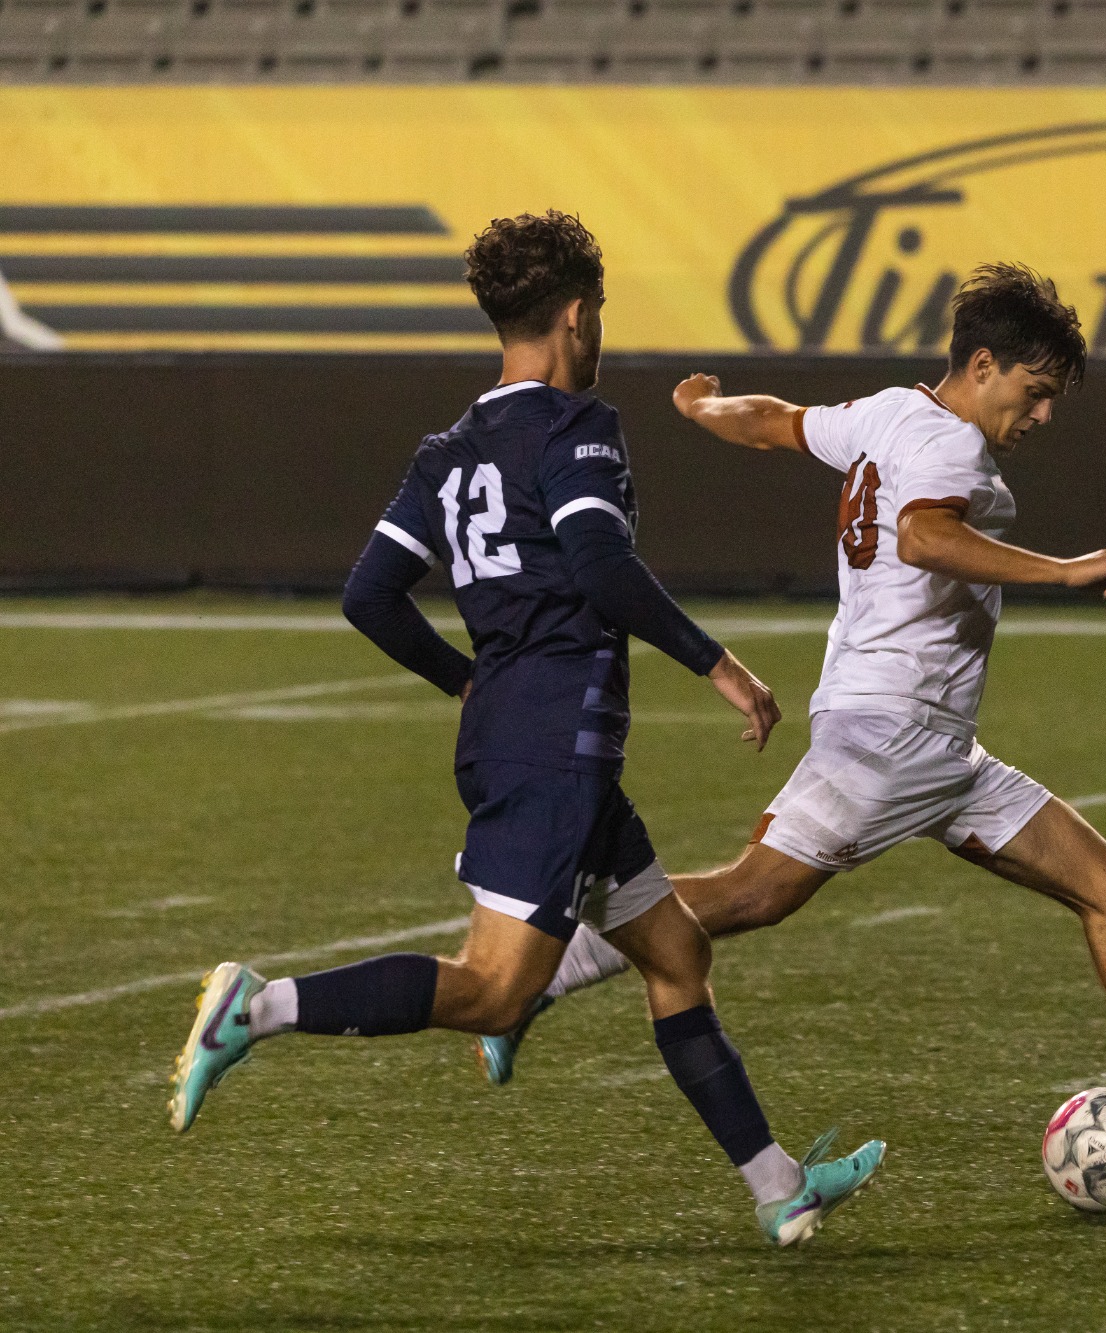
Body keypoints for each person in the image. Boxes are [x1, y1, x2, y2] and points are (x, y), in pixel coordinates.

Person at [482, 262, 1106, 1154]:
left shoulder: (889, 412)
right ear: (985, 364)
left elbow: (776, 423)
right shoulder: (951, 446)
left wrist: (704, 411)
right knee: (750, 893)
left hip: (937, 748)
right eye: (1034, 393)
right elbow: (924, 534)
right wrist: (1067, 568)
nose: (1040, 416)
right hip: (889, 735)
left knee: (1103, 884)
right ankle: (531, 973)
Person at [167, 210, 882, 1248]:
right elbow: (597, 564)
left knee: (676, 952)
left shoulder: (447, 449)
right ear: (577, 315)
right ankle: (258, 1006)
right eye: (600, 318)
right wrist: (714, 663)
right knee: (496, 994)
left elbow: (371, 595)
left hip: (521, 732)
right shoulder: (575, 425)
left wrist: (465, 678)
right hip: (558, 748)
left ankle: (778, 1186)